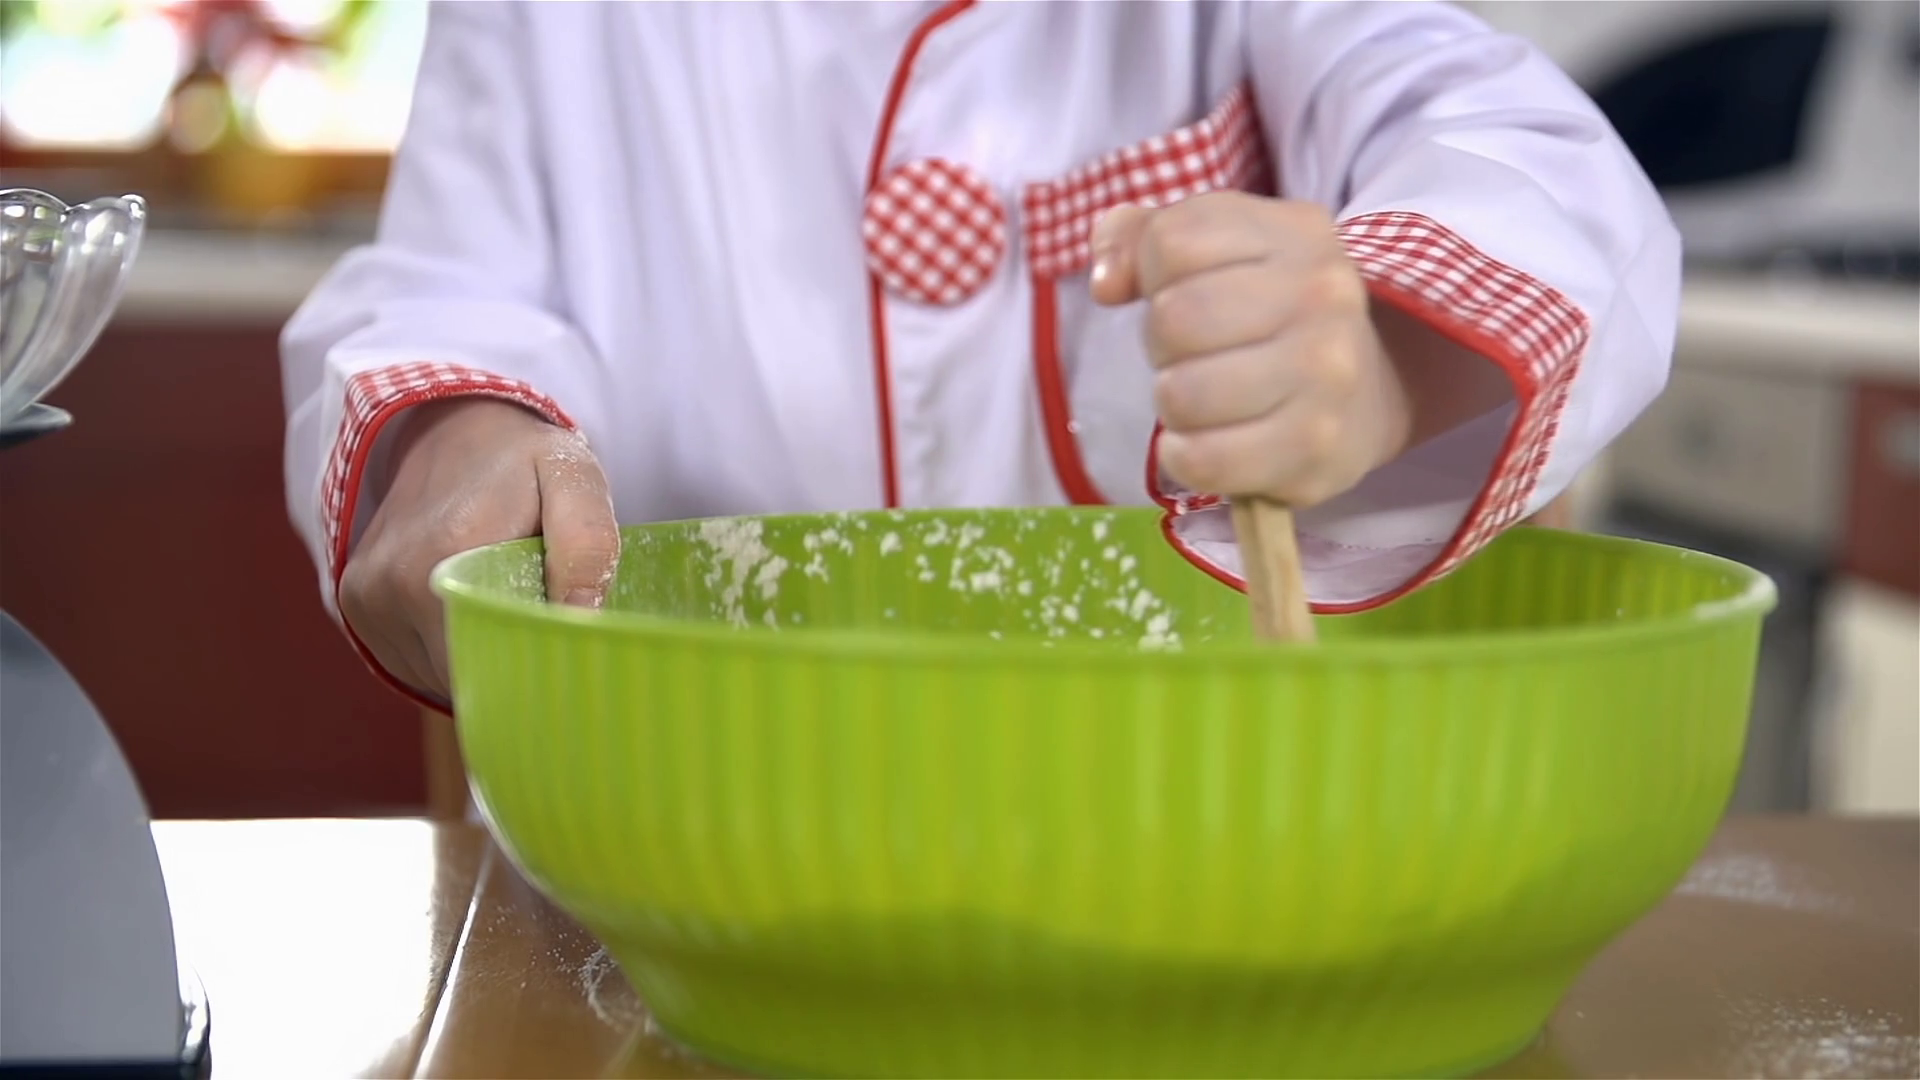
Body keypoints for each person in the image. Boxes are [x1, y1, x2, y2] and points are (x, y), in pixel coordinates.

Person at [282, 1, 1679, 708]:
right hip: (697, 866)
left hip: (1203, 855)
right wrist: (462, 421)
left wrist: (1382, 357)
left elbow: (1533, 160)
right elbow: (445, 282)